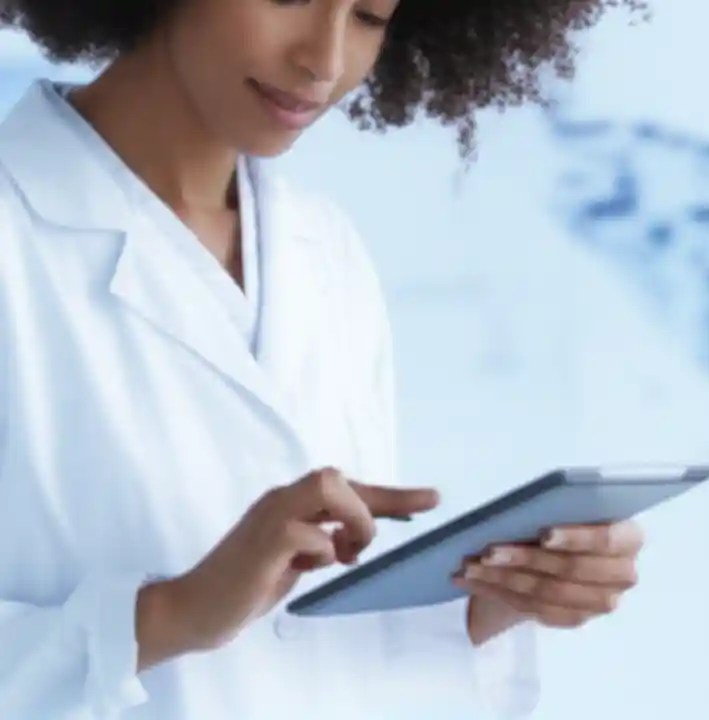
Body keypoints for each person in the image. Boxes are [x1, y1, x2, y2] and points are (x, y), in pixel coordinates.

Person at [0, 0, 650, 717]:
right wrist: (169, 614)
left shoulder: (325, 248)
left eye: (369, 16)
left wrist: (492, 603)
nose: (326, 62)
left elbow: (304, 641)